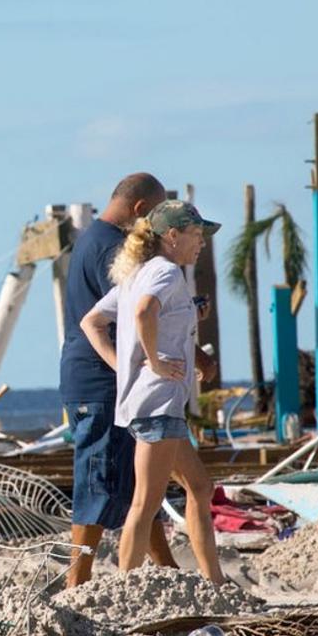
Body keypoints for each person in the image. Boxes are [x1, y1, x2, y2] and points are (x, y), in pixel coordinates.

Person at [79, 199, 224, 584]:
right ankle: (126, 588)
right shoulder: (166, 272)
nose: (202, 243)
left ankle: (216, 584)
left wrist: (124, 364)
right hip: (158, 402)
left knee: (200, 487)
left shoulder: (137, 273)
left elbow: (92, 322)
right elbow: (144, 313)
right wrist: (155, 364)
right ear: (172, 236)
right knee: (145, 503)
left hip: (154, 402)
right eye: (196, 235)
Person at [59, 173, 177, 588]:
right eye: (155, 217)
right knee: (99, 480)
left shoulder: (92, 239)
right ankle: (77, 581)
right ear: (141, 210)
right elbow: (135, 310)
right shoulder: (112, 247)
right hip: (98, 379)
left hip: (95, 376)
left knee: (134, 483)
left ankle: (167, 571)